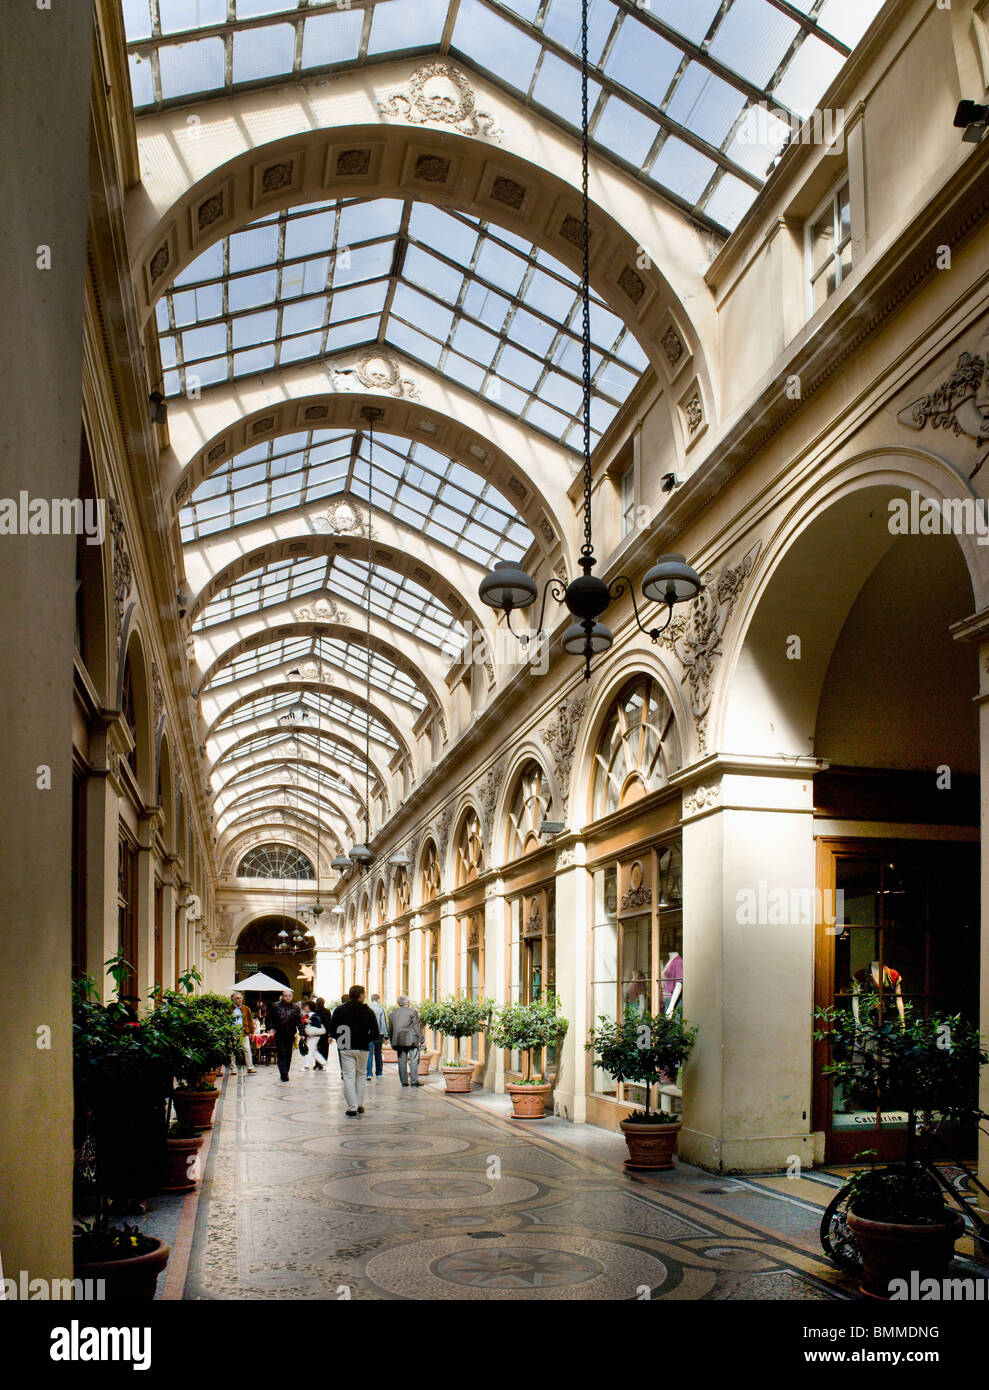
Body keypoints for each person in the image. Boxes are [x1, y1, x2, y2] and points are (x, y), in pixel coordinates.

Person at [328, 985, 379, 1116]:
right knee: (361, 1075)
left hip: (345, 1046)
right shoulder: (368, 1012)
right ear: (360, 996)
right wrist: (365, 1039)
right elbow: (375, 1033)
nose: (365, 996)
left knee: (348, 1076)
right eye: (364, 993)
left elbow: (332, 1029)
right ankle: (360, 1103)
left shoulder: (340, 1010)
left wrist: (341, 1039)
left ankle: (352, 1107)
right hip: (362, 1047)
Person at [389, 995, 424, 1088]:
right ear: (407, 1003)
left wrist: (391, 1040)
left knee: (401, 1061)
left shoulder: (393, 1013)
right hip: (412, 1040)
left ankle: (404, 1081)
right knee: (414, 1060)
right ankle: (414, 1081)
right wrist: (422, 1039)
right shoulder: (412, 1012)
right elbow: (417, 1026)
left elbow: (391, 1029)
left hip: (399, 1040)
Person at [269, 989, 302, 1082]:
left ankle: (286, 1071)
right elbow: (270, 1018)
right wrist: (272, 1028)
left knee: (288, 1054)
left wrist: (302, 1033)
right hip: (279, 1033)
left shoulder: (296, 1008)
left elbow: (299, 1021)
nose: (287, 997)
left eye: (289, 996)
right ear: (282, 997)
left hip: (290, 1033)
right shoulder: (276, 1006)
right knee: (281, 1053)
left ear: (292, 997)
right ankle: (283, 1073)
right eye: (286, 996)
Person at [231, 991, 258, 1073]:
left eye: (240, 998)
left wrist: (252, 1032)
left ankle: (250, 1067)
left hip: (243, 1032)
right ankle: (233, 1068)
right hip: (232, 1032)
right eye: (237, 998)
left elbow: (250, 1021)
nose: (239, 1000)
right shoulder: (229, 1009)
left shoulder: (246, 1009)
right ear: (233, 1000)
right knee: (232, 1051)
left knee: (247, 1049)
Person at [366, 993, 388, 1079]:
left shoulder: (367, 1008)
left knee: (369, 1053)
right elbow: (383, 1023)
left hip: (368, 1034)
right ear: (378, 999)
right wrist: (386, 1036)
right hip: (379, 1034)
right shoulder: (380, 1009)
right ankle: (379, 1072)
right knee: (378, 1053)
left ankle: (368, 1073)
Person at [302, 999, 327, 1071]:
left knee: (309, 1050)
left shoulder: (313, 1016)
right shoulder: (311, 1015)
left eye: (306, 1006)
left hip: (314, 1035)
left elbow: (318, 1024)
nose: (304, 1008)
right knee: (314, 1051)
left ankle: (306, 1066)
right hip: (313, 1035)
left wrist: (310, 1022)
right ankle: (324, 1063)